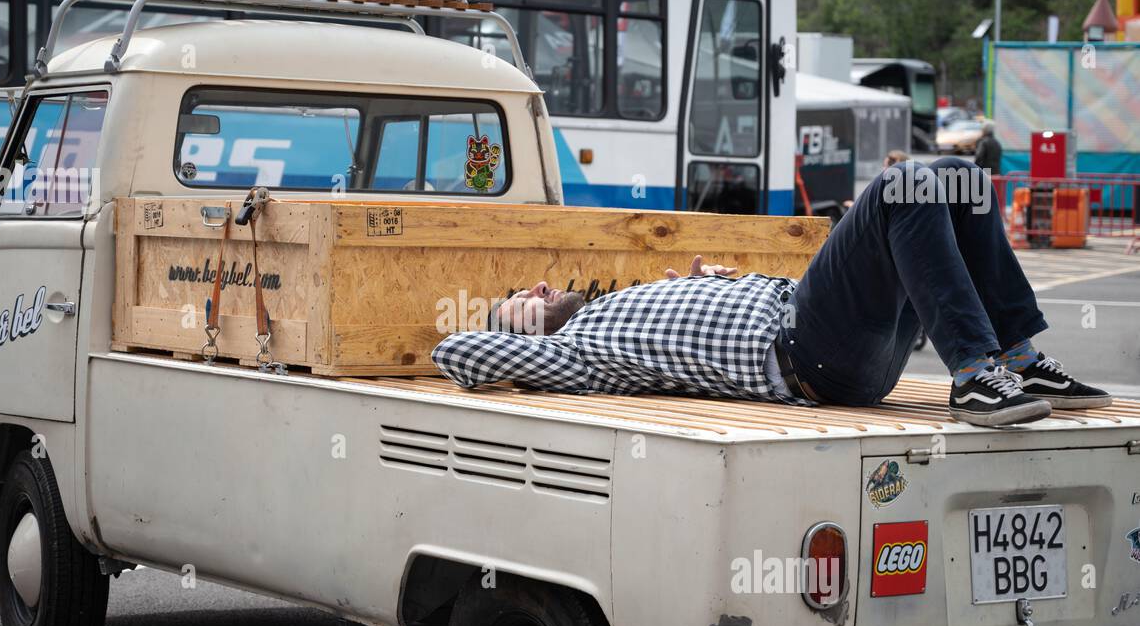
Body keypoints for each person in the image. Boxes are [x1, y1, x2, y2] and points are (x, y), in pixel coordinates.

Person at [431, 158, 1111, 427]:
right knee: (900, 188)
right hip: (807, 351)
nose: (543, 287)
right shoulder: (574, 354)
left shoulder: (617, 303)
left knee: (959, 176)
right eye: (529, 294)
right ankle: (972, 375)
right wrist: (508, 328)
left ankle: (1015, 360)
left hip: (822, 331)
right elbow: (457, 355)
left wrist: (711, 288)